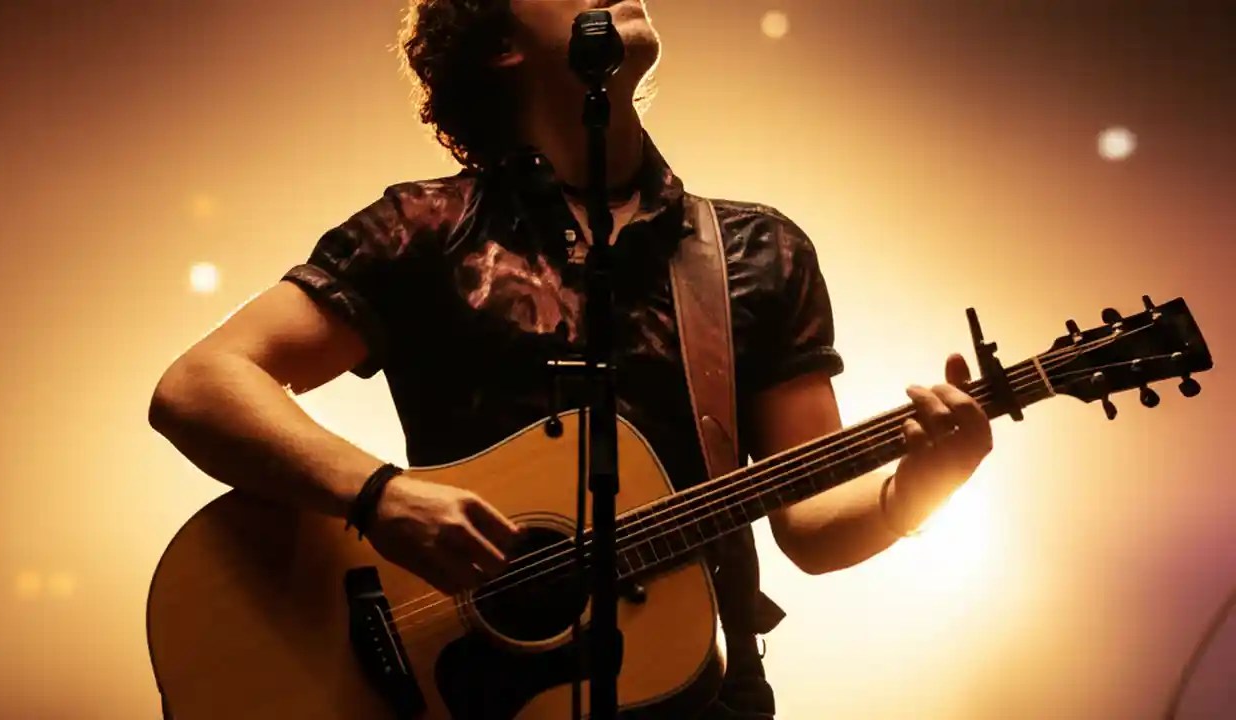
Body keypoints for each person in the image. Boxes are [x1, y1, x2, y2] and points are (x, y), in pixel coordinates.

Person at [148, 1, 994, 717]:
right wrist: (381, 497)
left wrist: (915, 486)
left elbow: (808, 525)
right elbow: (200, 385)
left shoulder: (756, 251)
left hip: (700, 700)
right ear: (501, 41)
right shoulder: (425, 231)